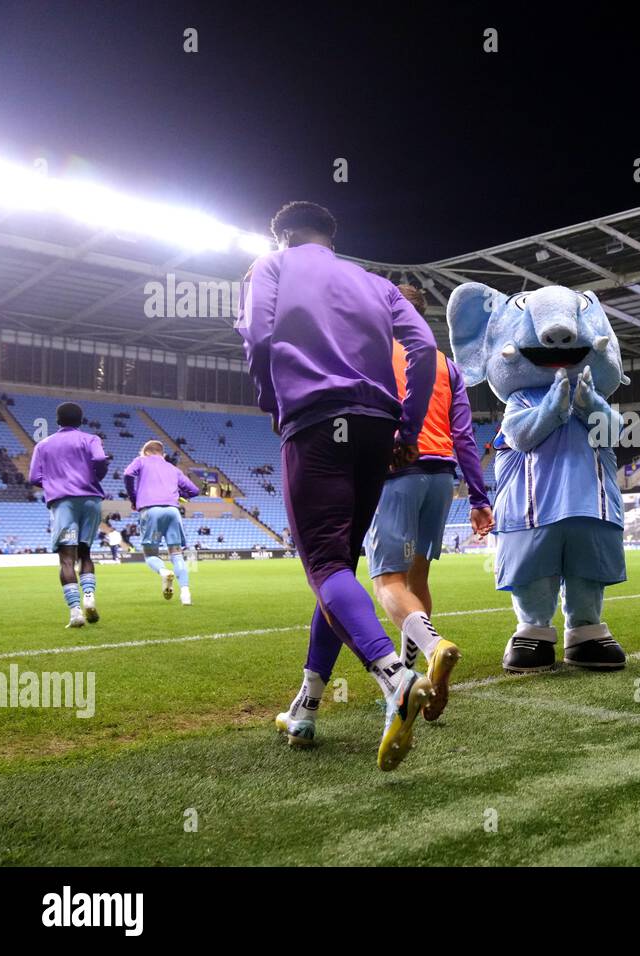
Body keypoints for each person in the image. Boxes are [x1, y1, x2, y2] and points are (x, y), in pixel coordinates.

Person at [237, 200, 438, 772]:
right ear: (331, 234)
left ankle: (395, 679)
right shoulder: (377, 284)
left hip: (317, 419)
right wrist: (408, 421)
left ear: (281, 236)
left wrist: (272, 402)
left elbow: (258, 336)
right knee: (339, 572)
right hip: (377, 429)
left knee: (325, 566)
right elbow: (423, 347)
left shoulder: (270, 268)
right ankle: (305, 706)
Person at [364, 284, 495, 721]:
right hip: (441, 479)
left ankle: (434, 647)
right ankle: (416, 677)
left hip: (395, 472)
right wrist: (479, 496)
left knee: (388, 582)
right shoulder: (445, 365)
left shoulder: (372, 351)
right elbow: (463, 436)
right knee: (418, 580)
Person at [27, 402, 110, 627]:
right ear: (81, 421)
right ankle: (89, 597)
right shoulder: (91, 439)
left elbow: (34, 478)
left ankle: (75, 612)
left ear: (57, 421)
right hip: (91, 499)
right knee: (85, 553)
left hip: (63, 502)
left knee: (66, 558)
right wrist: (95, 477)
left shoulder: (43, 445)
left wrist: (55, 480)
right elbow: (101, 460)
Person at [124, 440, 201, 605]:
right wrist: (180, 495)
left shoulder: (141, 461)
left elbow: (128, 474)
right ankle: (186, 594)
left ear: (145, 452)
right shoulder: (173, 468)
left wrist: (134, 498)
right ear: (162, 454)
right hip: (173, 512)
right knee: (177, 554)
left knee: (151, 554)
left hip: (151, 512)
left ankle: (164, 571)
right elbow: (194, 490)